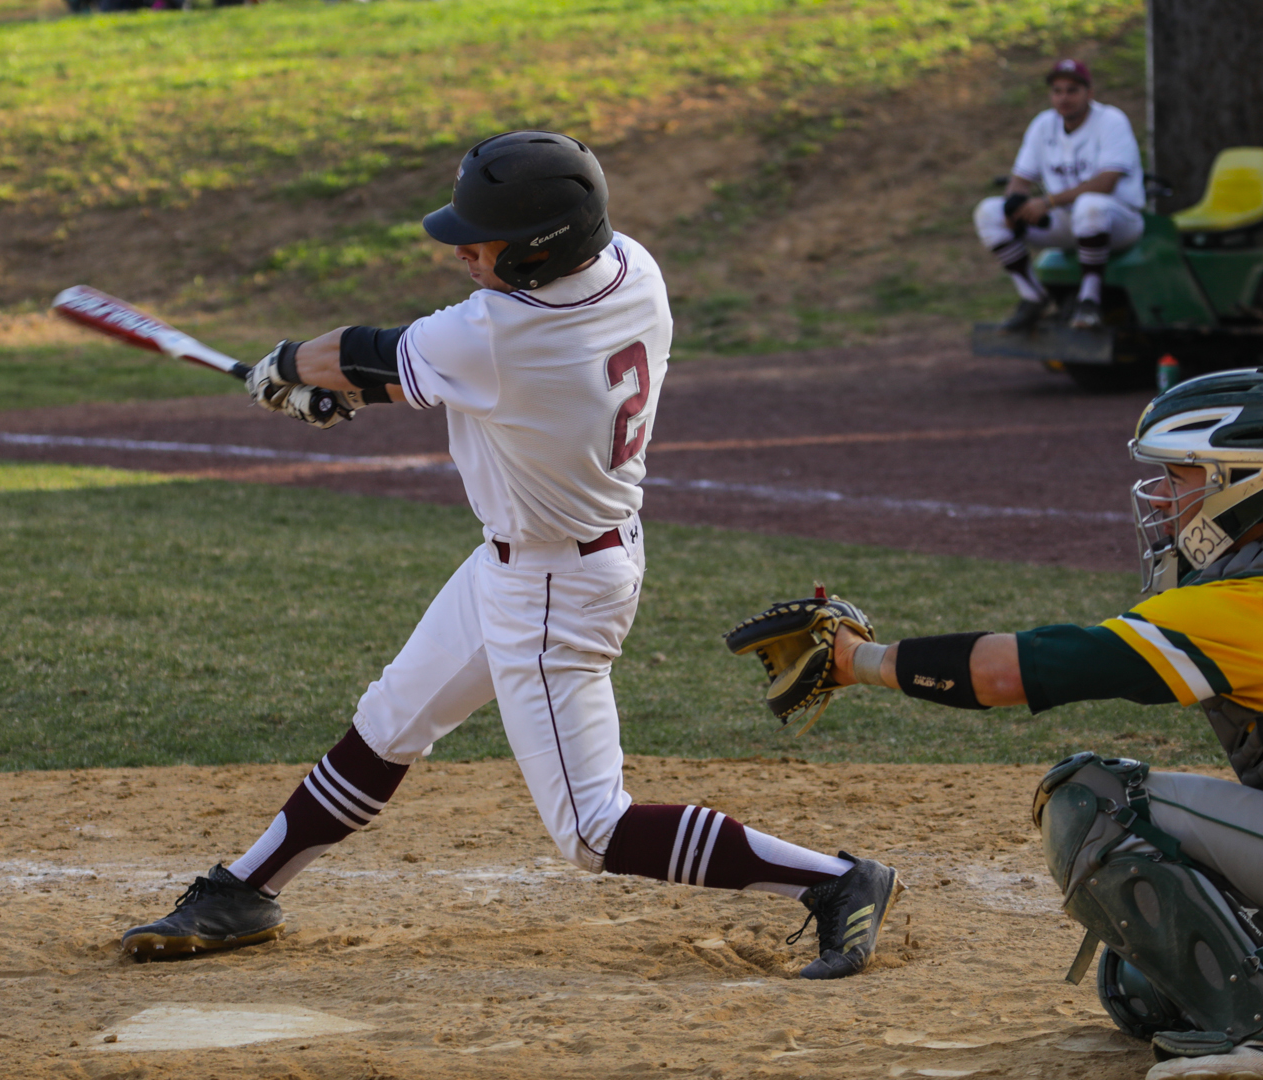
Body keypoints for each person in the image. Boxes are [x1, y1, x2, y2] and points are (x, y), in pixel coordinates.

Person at [119, 131, 903, 981]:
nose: (462, 251)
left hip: (553, 588)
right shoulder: (631, 269)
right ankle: (246, 891)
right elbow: (442, 375)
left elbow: (363, 351)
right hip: (539, 561)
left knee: (594, 830)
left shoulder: (495, 332)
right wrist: (340, 394)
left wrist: (283, 369)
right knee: (391, 721)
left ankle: (835, 881)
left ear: (538, 250)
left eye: (482, 239)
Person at [734, 367, 1263, 1080]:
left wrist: (856, 660)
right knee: (1144, 987)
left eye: (1181, 476)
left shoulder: (1253, 602)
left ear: (1240, 480)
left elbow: (1010, 673)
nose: (1163, 497)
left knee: (1091, 798)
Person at [976, 58, 1146, 332]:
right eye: (1057, 91)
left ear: (1089, 93)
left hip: (1119, 222)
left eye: (1072, 90)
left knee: (1090, 206)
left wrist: (1047, 202)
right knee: (989, 212)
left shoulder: (1111, 120)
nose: (1063, 98)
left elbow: (1106, 183)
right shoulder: (1043, 124)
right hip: (1066, 220)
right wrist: (1013, 207)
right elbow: (1020, 179)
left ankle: (1089, 301)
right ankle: (1033, 297)